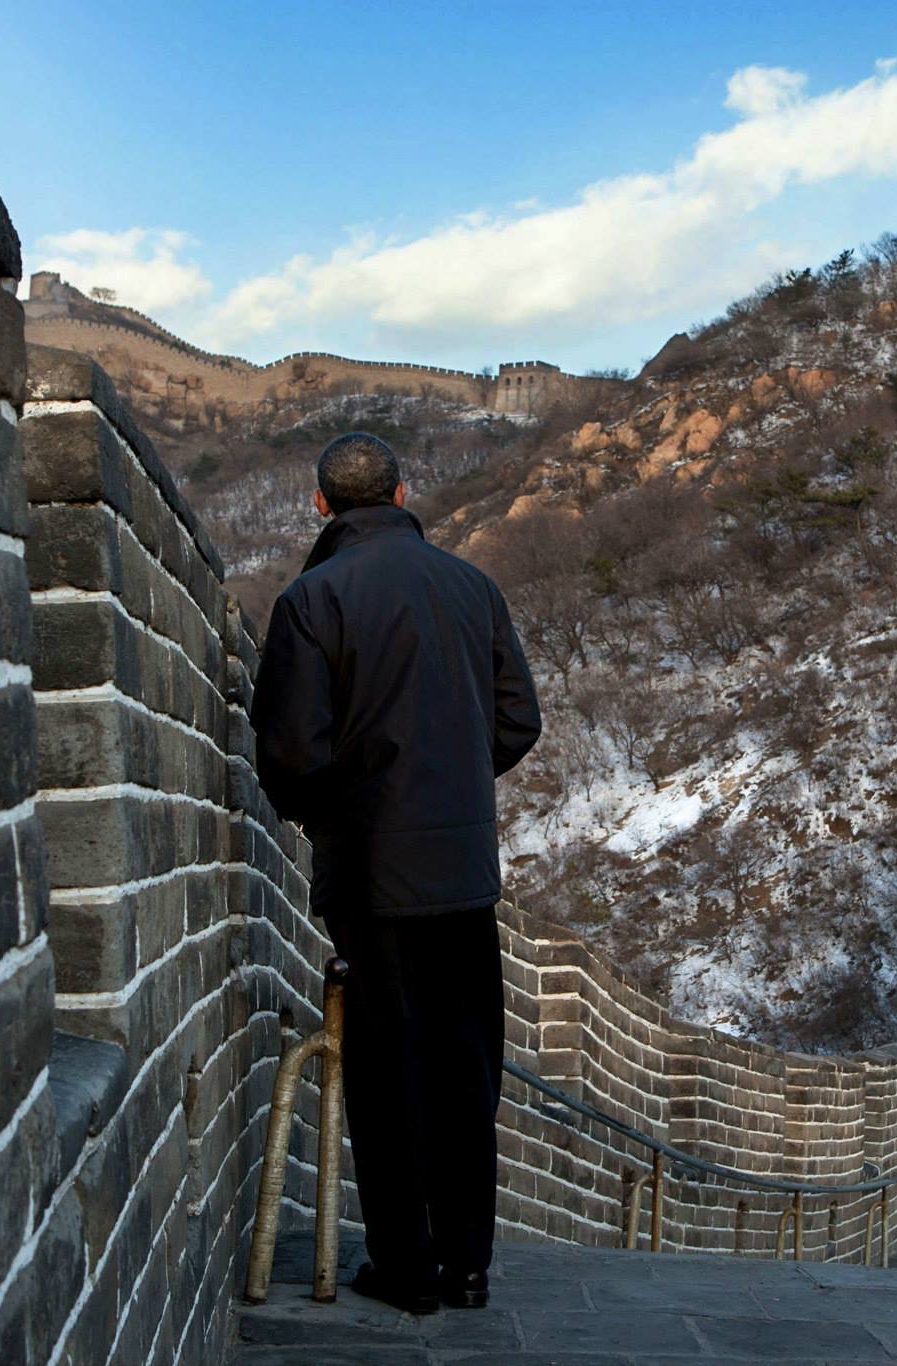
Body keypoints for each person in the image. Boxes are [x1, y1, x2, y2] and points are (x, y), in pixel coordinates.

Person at [249, 432, 541, 1315]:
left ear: (319, 505)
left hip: (372, 878)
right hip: (461, 872)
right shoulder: (473, 588)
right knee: (464, 1068)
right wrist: (446, 781)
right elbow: (517, 720)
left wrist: (350, 810)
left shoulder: (311, 600)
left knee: (385, 1073)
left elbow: (293, 754)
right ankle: (468, 1266)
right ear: (406, 492)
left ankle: (407, 1270)